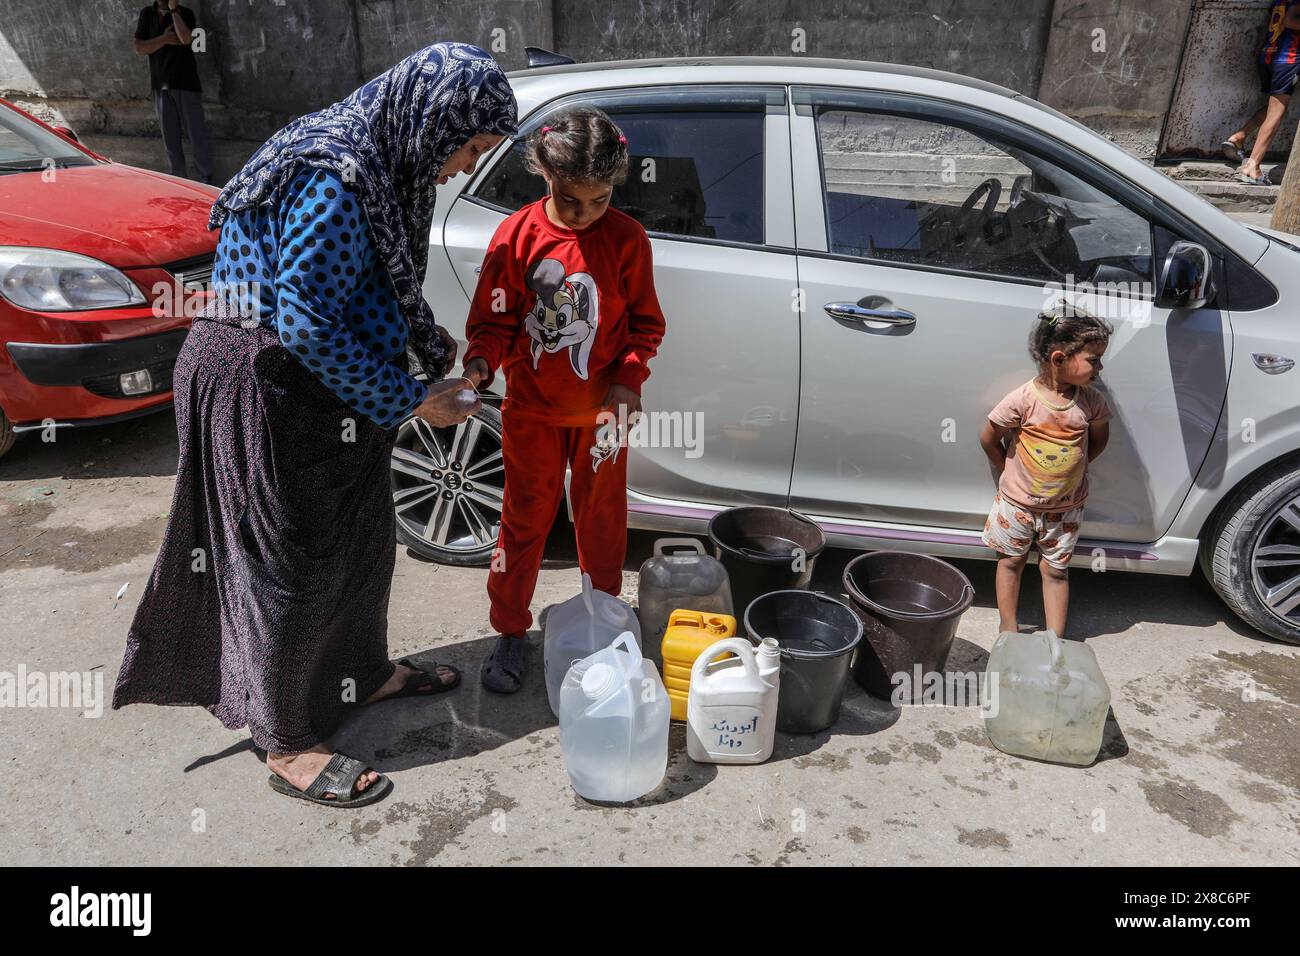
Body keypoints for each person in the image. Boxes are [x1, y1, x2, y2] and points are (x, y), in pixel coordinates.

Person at [112, 43, 518, 807]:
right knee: (290, 566)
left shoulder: (384, 154)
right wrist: (410, 399)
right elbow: (304, 323)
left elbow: (380, 277)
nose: (465, 166)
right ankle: (288, 738)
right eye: (468, 147)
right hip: (265, 379)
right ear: (434, 121)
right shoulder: (337, 172)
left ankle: (362, 673)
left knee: (362, 538)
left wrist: (429, 353)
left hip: (334, 388)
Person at [462, 106, 667, 693]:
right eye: (572, 201)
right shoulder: (516, 237)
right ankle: (508, 631)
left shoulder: (627, 240)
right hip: (532, 413)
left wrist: (628, 382)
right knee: (522, 522)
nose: (584, 215)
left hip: (603, 417)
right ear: (545, 178)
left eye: (599, 201)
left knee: (602, 522)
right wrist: (479, 365)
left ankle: (602, 620)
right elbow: (495, 323)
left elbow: (645, 327)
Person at [978, 305, 1112, 638]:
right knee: (1010, 563)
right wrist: (1006, 470)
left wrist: (1072, 473)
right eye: (1093, 360)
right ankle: (1008, 629)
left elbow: (1097, 442)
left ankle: (1055, 638)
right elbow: (989, 438)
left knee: (1056, 571)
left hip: (1064, 509)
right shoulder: (1022, 400)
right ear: (1058, 359)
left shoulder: (1091, 403)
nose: (1100, 367)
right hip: (1016, 507)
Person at [133, 0, 214, 184]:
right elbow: (139, 47)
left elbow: (185, 39)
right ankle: (179, 179)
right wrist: (164, 39)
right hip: (160, 85)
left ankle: (206, 178)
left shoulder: (186, 14)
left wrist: (174, 10)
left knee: (196, 133)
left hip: (186, 83)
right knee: (170, 137)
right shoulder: (147, 14)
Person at [1223, 0, 1300, 184]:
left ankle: (1239, 137)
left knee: (1275, 107)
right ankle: (1252, 166)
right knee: (1276, 114)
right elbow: (1289, 21)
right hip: (1287, 59)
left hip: (1270, 55)